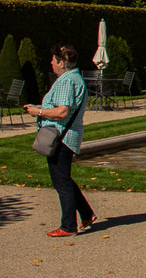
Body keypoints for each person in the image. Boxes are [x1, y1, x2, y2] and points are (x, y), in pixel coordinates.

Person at [25, 43, 95, 237]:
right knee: (64, 178)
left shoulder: (66, 81)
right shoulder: (73, 78)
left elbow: (62, 112)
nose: (51, 63)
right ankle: (87, 214)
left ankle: (68, 226)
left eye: (54, 60)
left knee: (61, 182)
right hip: (66, 135)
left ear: (62, 62)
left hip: (61, 137)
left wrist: (37, 111)